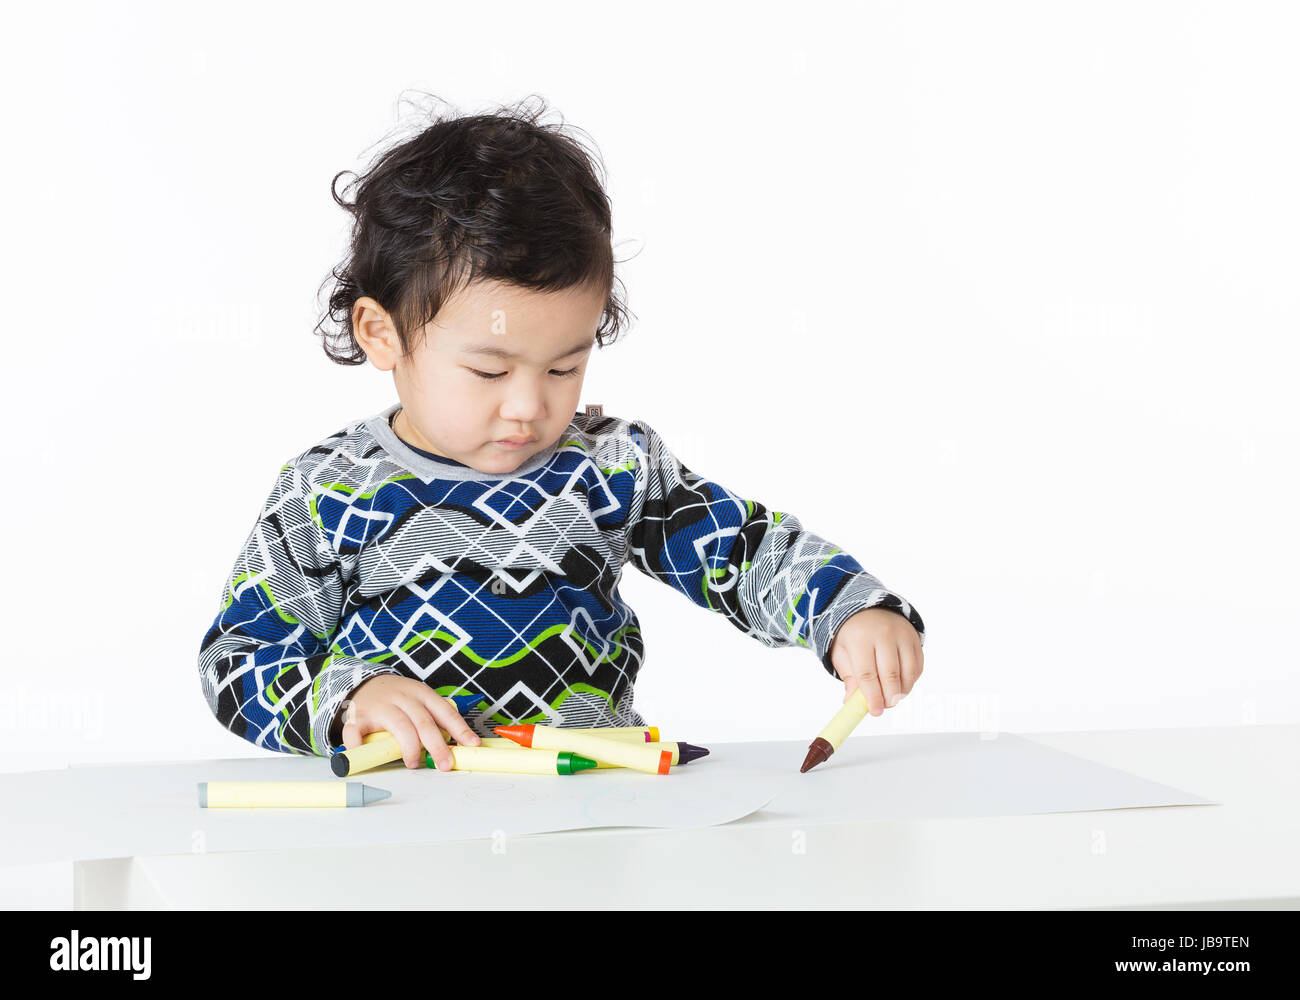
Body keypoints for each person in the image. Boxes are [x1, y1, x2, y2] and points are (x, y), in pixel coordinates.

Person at [197, 93, 926, 772]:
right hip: (403, 824)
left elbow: (744, 548)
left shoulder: (611, 466)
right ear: (381, 334)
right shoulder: (329, 489)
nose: (526, 408)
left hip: (593, 813)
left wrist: (847, 609)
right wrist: (347, 698)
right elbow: (239, 659)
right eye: (489, 372)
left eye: (563, 367)